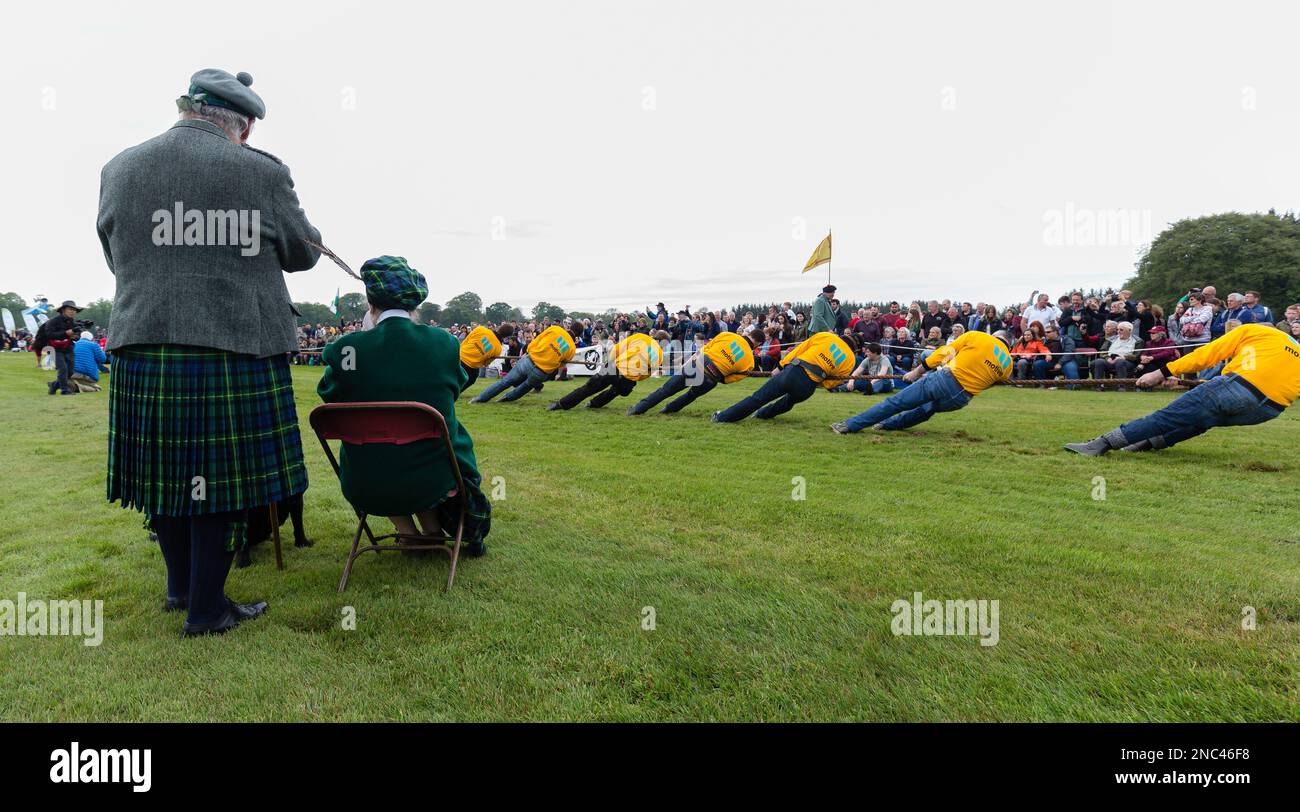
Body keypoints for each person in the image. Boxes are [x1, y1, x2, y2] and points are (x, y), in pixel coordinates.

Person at [98, 68, 320, 636]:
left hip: (142, 342)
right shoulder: (261, 171)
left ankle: (181, 590)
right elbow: (302, 254)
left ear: (186, 108)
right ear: (242, 126)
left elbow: (114, 254)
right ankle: (207, 609)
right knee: (223, 483)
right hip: (232, 346)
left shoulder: (119, 167)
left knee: (166, 478)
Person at [318, 257, 490, 553]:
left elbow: (328, 393)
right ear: (414, 305)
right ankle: (432, 532)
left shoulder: (347, 349)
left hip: (365, 480)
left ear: (370, 305)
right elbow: (456, 386)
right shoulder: (444, 343)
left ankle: (409, 534)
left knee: (386, 448)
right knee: (422, 444)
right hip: (434, 477)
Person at [1064, 323, 1299, 455]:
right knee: (1203, 419)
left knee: (1166, 417)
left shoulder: (1253, 330)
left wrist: (1162, 372)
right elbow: (1264, 380)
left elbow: (1207, 355)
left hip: (1237, 388)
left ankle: (1101, 444)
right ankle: (1147, 444)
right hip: (1268, 410)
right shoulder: (1293, 349)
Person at [831, 330, 1013, 434]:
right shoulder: (1008, 364)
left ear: (995, 335)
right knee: (926, 410)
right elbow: (992, 383)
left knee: (896, 402)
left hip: (945, 380)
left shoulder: (978, 336)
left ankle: (850, 425)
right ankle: (886, 425)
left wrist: (918, 371)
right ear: (1008, 344)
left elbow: (945, 352)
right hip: (961, 399)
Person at [713, 332, 858, 422]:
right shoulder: (851, 359)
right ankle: (761, 415)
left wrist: (781, 366)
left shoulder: (826, 337)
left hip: (793, 372)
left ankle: (722, 417)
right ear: (855, 348)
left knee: (758, 398)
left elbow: (798, 350)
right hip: (809, 386)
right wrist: (818, 383)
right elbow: (834, 382)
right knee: (787, 403)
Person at [627, 330, 759, 415]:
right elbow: (731, 379)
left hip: (698, 364)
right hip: (712, 378)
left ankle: (638, 409)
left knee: (666, 389)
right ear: (758, 344)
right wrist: (720, 377)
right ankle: (668, 410)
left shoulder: (728, 335)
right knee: (691, 395)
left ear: (749, 334)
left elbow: (705, 348)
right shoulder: (750, 362)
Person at [548, 330, 669, 410]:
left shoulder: (641, 337)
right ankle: (594, 404)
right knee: (615, 391)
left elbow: (617, 349)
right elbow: (647, 373)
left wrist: (609, 362)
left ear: (654, 336)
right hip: (628, 379)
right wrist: (633, 378)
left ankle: (561, 404)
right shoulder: (659, 355)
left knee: (588, 388)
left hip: (614, 367)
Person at [471, 323, 576, 403]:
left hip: (529, 361)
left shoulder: (555, 329)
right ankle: (504, 399)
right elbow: (562, 364)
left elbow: (538, 339)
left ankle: (479, 399)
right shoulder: (572, 348)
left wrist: (529, 350)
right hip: (541, 372)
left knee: (505, 382)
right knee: (524, 388)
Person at [458, 322, 515, 394]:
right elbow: (486, 363)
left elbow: (466, 340)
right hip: (471, 366)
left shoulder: (481, 329)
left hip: (458, 356)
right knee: (472, 379)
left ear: (499, 328)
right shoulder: (498, 349)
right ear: (507, 337)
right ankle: (455, 392)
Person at [41, 300, 83, 395]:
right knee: (63, 369)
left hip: (68, 348)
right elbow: (48, 334)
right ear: (63, 310)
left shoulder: (73, 322)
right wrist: (65, 333)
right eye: (70, 309)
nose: (73, 311)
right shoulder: (53, 322)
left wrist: (75, 336)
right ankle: (65, 390)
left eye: (74, 310)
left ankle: (54, 385)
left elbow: (77, 337)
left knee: (70, 371)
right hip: (54, 349)